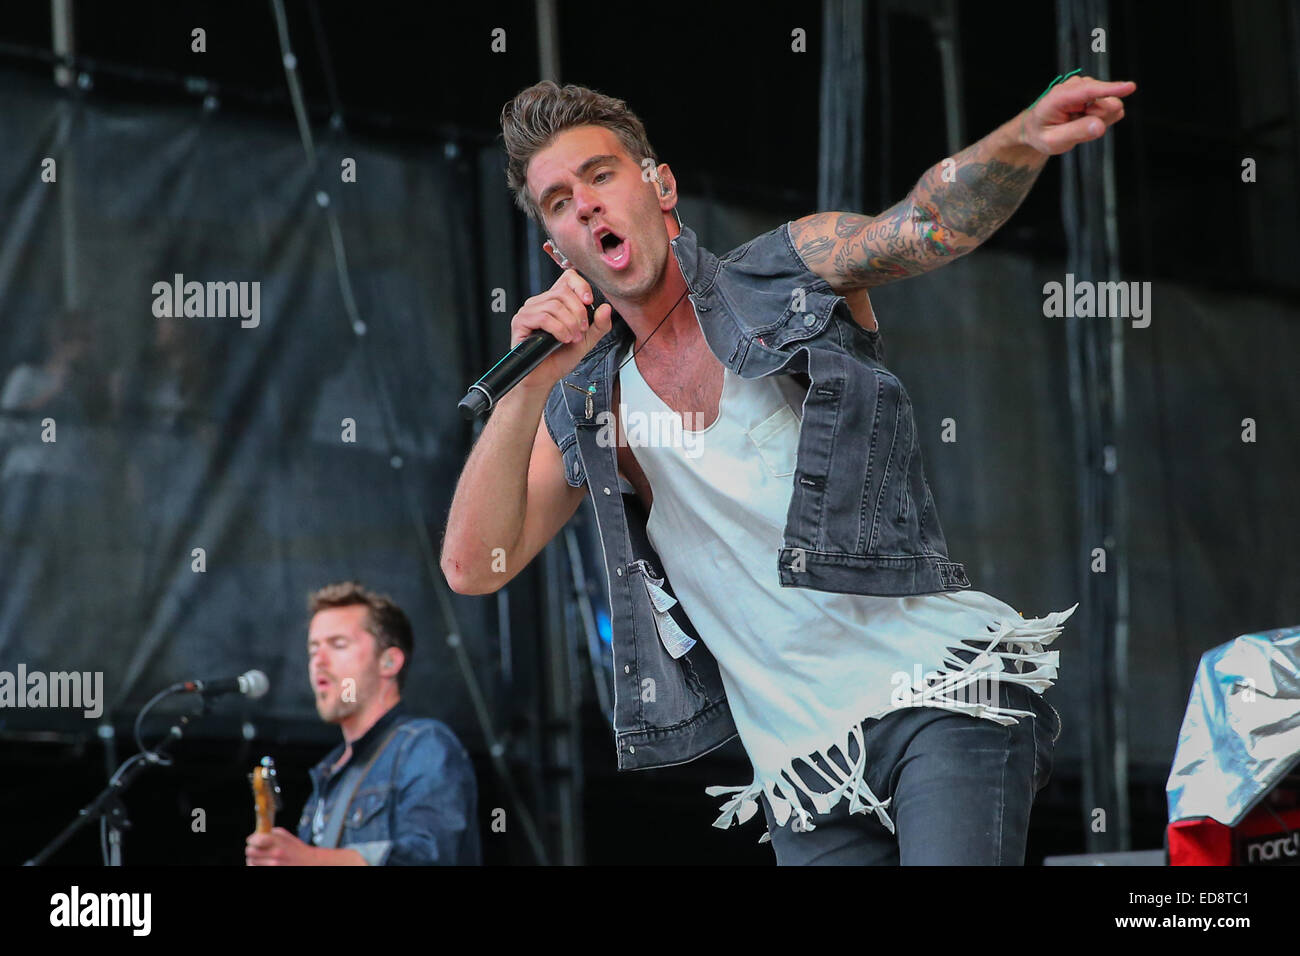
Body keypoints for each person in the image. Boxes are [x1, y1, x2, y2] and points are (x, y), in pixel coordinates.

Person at [441, 76, 1133, 864]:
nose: (586, 205)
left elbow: (923, 227)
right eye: (560, 201)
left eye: (601, 175)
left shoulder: (781, 276)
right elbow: (473, 566)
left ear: (659, 187)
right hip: (804, 766)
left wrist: (1023, 138)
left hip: (942, 691)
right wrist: (527, 387)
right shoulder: (585, 403)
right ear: (555, 249)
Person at [245, 582, 481, 866]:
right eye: (313, 649)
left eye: (338, 644)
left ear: (389, 662)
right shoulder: (330, 771)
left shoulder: (423, 745)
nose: (318, 661)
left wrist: (312, 859)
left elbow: (432, 858)